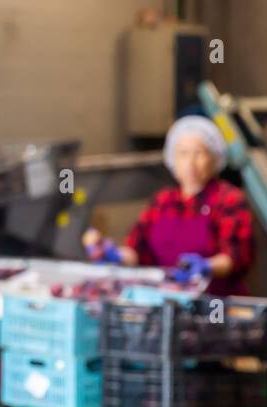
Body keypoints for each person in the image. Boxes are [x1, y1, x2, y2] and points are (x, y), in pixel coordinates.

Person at [82, 115, 254, 296]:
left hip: (216, 304)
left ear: (215, 158)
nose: (190, 162)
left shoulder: (229, 199)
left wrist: (206, 266)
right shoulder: (162, 201)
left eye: (199, 153)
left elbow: (236, 257)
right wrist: (112, 255)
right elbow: (137, 251)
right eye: (183, 153)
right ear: (173, 159)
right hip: (168, 300)